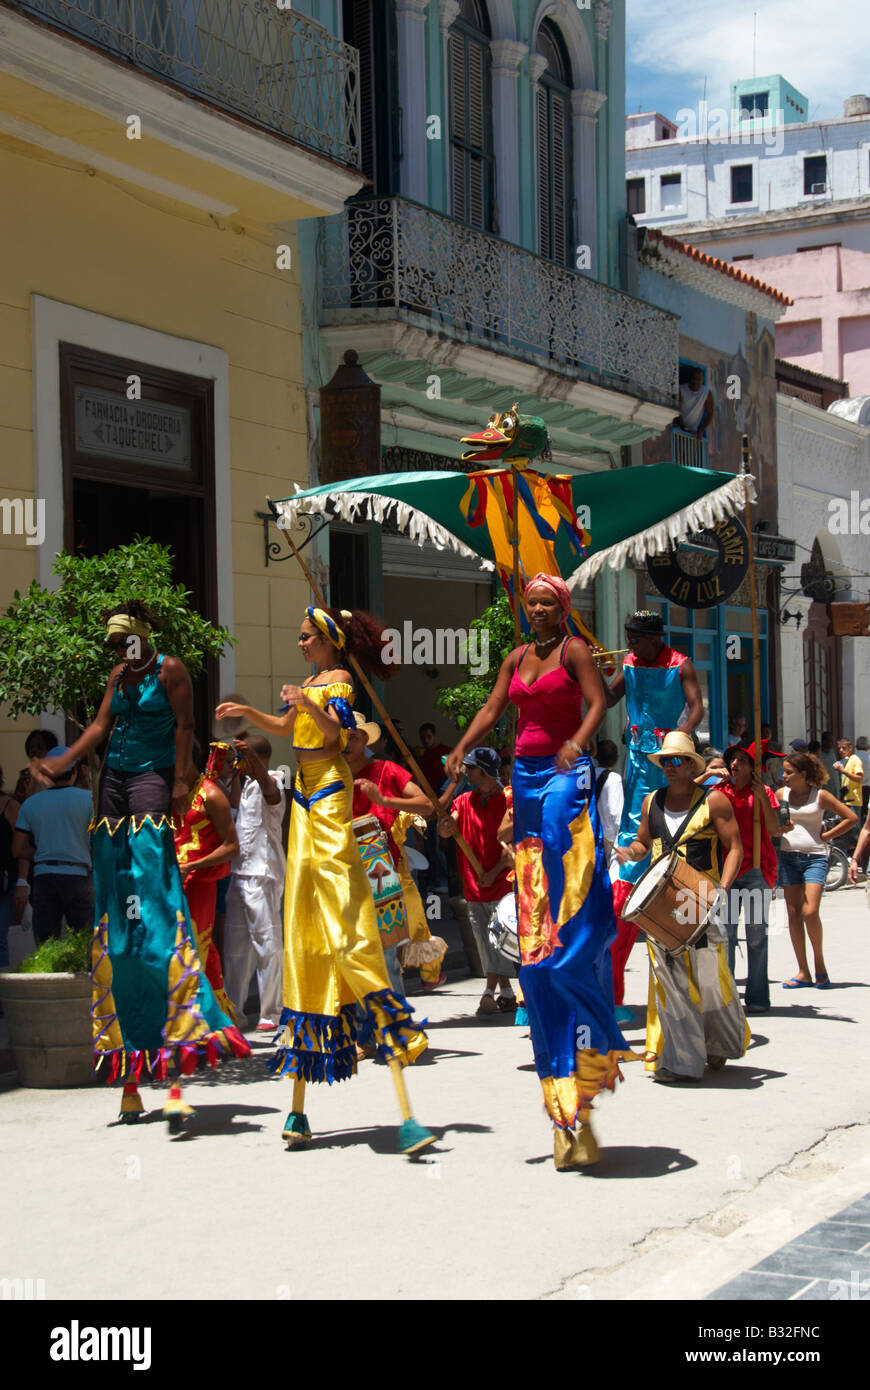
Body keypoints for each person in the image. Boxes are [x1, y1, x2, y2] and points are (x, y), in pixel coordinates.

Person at [215, 605, 433, 1156]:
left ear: (329, 641)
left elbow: (338, 735)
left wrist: (309, 700)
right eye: (300, 635)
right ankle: (298, 1112)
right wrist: (253, 714)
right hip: (305, 800)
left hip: (331, 789)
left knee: (342, 912)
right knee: (303, 921)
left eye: (307, 636)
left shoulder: (336, 680)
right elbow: (289, 729)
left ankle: (385, 1024)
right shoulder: (315, 681)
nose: (300, 643)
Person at [36, 602, 249, 1130]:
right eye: (112, 644)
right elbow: (102, 723)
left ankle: (155, 899)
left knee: (151, 847)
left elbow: (185, 725)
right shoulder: (118, 675)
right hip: (114, 774)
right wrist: (66, 760)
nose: (118, 651)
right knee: (112, 851)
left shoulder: (170, 669)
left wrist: (181, 780)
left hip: (154, 771)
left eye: (123, 641)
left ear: (143, 638)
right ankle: (120, 901)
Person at [447, 574, 635, 1171]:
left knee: (559, 820)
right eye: (531, 604)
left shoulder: (575, 650)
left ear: (563, 609)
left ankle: (569, 902)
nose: (538, 612)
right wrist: (460, 747)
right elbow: (493, 706)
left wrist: (578, 742)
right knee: (530, 847)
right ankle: (565, 1120)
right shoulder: (517, 656)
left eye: (548, 604)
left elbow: (602, 702)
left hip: (565, 767)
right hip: (525, 770)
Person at [616, 730, 747, 1083]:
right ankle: (678, 1059)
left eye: (676, 761)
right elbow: (644, 844)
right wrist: (631, 852)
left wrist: (722, 888)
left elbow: (734, 847)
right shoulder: (651, 802)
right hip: (661, 904)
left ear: (691, 765)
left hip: (701, 901)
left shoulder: (714, 802)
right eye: (665, 762)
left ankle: (719, 1042)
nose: (669, 768)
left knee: (709, 981)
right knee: (668, 982)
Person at [605, 610, 703, 1013]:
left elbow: (696, 706)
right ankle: (629, 868)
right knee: (636, 816)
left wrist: (679, 735)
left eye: (637, 638)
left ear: (655, 638)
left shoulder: (680, 664)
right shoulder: (628, 663)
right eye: (628, 636)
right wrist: (589, 672)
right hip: (635, 758)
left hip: (667, 752)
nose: (631, 644)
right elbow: (609, 697)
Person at [345, 714, 447, 994]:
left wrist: (384, 800)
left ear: (365, 740)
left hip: (385, 866)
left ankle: (407, 995)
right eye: (340, 736)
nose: (346, 742)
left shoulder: (386, 770)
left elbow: (426, 805)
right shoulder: (329, 774)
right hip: (343, 870)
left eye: (353, 736)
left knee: (403, 929)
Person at [438, 747, 516, 1017]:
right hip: (473, 883)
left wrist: (494, 872)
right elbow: (449, 826)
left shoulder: (509, 800)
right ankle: (506, 993)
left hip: (502, 883)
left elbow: (512, 847)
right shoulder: (463, 800)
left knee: (498, 938)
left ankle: (488, 992)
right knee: (485, 941)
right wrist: (446, 826)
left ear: (483, 771)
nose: (467, 772)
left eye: (471, 768)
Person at [174, 742, 241, 1027]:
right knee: (174, 949)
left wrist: (191, 866)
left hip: (200, 885)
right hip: (170, 885)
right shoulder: (167, 795)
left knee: (197, 949)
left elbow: (233, 847)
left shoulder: (212, 796)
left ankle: (206, 1022)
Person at [222, 735, 287, 1033]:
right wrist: (236, 769)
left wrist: (254, 763)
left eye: (242, 757)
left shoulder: (273, 779)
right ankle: (233, 1010)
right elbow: (235, 802)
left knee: (267, 943)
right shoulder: (246, 784)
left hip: (263, 873)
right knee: (236, 947)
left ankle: (271, 1012)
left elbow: (270, 792)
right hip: (239, 872)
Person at [776, 751, 856, 989]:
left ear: (803, 774)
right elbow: (772, 819)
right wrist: (779, 829)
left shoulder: (820, 796)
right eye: (784, 771)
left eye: (789, 772)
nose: (784, 776)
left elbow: (850, 817)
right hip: (788, 857)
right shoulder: (782, 795)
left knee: (810, 912)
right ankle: (803, 971)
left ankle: (819, 964)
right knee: (793, 914)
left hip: (816, 858)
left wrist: (827, 836)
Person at [718, 741, 782, 1014]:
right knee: (726, 937)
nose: (734, 765)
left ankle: (758, 997)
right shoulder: (720, 792)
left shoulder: (765, 791)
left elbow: (775, 830)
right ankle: (727, 998)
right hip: (729, 873)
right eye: (732, 760)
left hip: (757, 870)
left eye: (742, 761)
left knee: (756, 938)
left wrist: (763, 797)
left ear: (754, 767)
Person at [11, 746, 93, 947]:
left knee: (47, 944)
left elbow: (18, 849)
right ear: (74, 772)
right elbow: (98, 841)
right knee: (84, 943)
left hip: (44, 876)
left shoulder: (30, 804)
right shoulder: (90, 800)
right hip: (79, 875)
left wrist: (41, 853)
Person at [0, 768, 20, 969]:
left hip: (4, 881)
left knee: (0, 938)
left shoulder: (10, 805)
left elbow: (21, 847)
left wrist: (22, 880)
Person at [13, 729, 59, 803]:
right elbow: (18, 801)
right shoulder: (25, 776)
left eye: (40, 747)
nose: (34, 750)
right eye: (31, 747)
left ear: (50, 750)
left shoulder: (57, 774)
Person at [678, 367, 714, 439]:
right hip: (679, 428)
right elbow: (677, 411)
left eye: (698, 380)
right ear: (690, 379)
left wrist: (701, 430)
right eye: (694, 378)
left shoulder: (706, 393)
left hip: (694, 432)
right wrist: (683, 428)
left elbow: (710, 413)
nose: (695, 382)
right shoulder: (681, 390)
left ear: (702, 380)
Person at [833, 739, 863, 811]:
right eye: (839, 748)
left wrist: (843, 771)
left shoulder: (855, 760)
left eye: (843, 748)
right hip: (845, 799)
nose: (841, 750)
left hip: (853, 801)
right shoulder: (846, 760)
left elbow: (859, 778)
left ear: (850, 748)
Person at [856, 737, 870, 819]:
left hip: (855, 790)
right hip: (867, 789)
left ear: (856, 747)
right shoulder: (868, 758)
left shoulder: (853, 758)